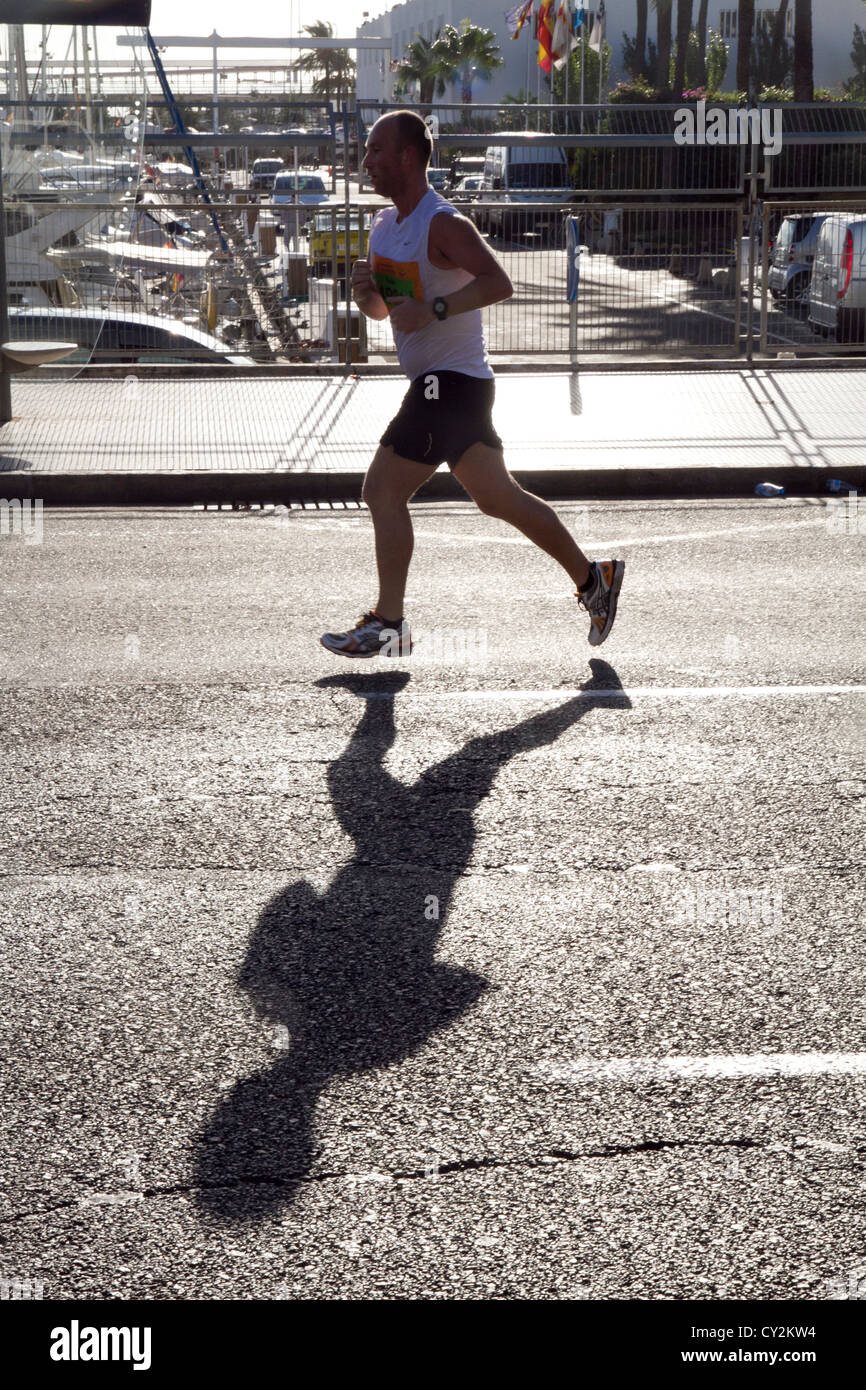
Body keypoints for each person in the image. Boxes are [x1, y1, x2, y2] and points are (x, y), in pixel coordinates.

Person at [320, 110, 624, 659]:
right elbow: (382, 313)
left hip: (451, 383)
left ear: (407, 156)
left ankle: (390, 622)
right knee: (498, 498)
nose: (365, 162)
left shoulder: (444, 223)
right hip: (454, 387)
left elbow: (498, 282)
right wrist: (365, 291)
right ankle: (593, 578)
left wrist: (434, 306)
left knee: (381, 490)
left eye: (375, 151)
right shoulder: (384, 228)